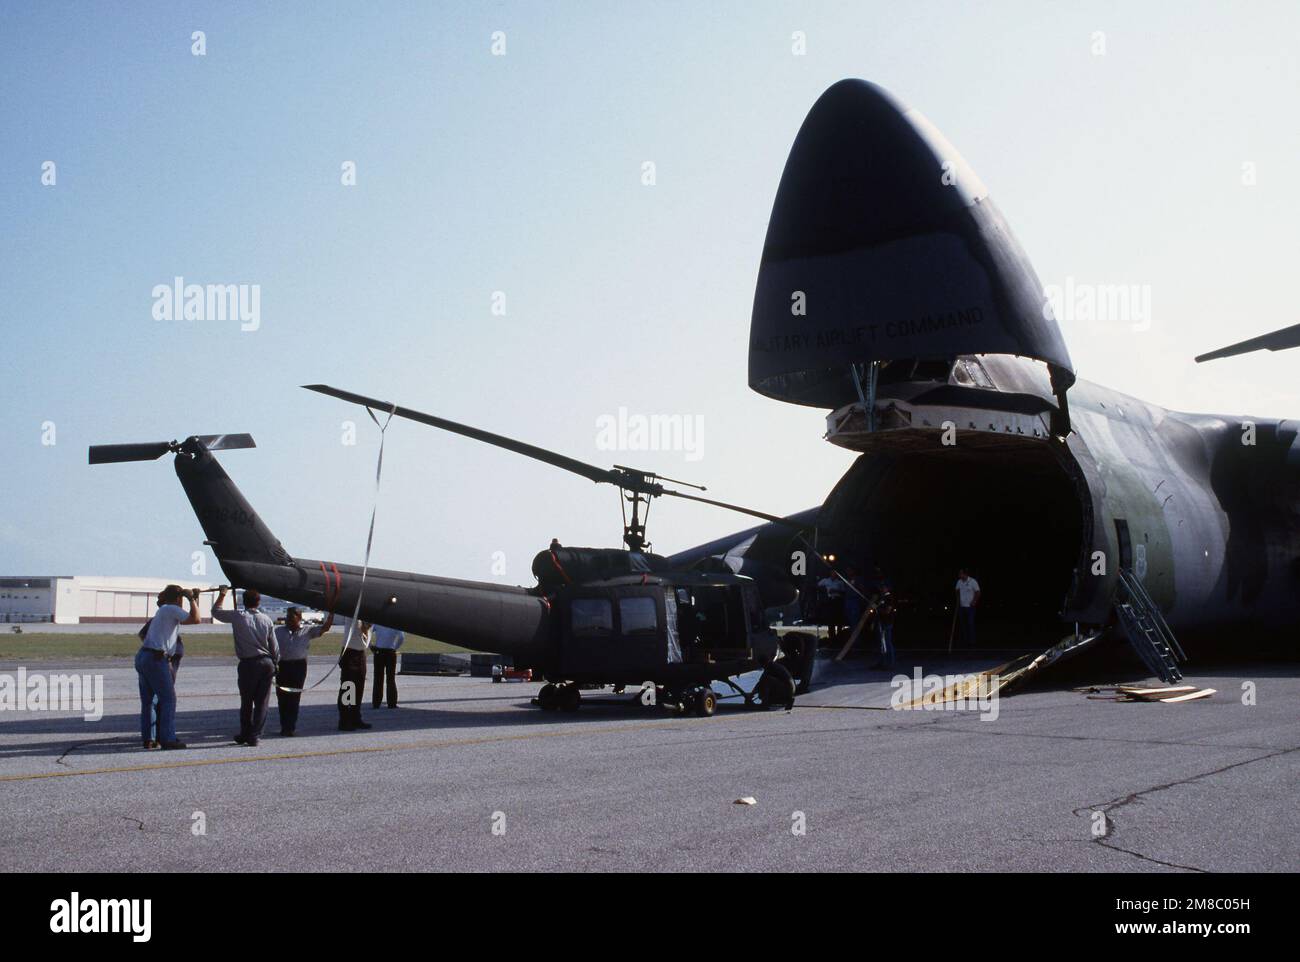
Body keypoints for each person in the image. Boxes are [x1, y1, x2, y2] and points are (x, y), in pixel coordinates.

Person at [213, 586, 279, 746]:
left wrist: (222, 595)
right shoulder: (267, 619)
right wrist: (276, 664)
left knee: (247, 701)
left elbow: (216, 612)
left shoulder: (238, 616)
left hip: (249, 663)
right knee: (262, 702)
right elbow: (274, 646)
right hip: (266, 662)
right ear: (259, 602)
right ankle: (255, 735)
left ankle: (245, 732)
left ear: (243, 601)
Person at [135, 585, 198, 750]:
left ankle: (149, 739)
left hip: (144, 656)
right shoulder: (171, 609)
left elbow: (186, 616)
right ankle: (168, 739)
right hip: (156, 658)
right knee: (168, 699)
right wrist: (191, 598)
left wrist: (192, 599)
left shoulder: (164, 610)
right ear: (179, 599)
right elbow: (195, 619)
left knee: (149, 701)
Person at [273, 605, 334, 736]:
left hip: (298, 667)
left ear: (299, 618)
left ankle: (290, 727)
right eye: (287, 618)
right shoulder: (278, 631)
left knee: (294, 697)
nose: (288, 620)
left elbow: (325, 628)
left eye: (292, 618)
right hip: (282, 666)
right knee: (282, 697)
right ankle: (284, 725)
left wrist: (331, 615)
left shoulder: (307, 631)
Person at [338, 619, 373, 731]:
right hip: (350, 653)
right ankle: (344, 721)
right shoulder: (353, 615)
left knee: (358, 688)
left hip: (361, 653)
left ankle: (355, 718)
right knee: (348, 688)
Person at [371, 623, 405, 709]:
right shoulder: (394, 621)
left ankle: (376, 702)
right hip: (390, 651)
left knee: (378, 678)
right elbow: (401, 637)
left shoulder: (377, 621)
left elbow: (367, 632)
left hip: (379, 651)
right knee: (391, 679)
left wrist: (370, 646)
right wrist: (395, 647)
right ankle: (392, 703)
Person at [955, 568, 981, 648]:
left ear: (965, 574)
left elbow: (978, 592)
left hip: (970, 607)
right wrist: (958, 599)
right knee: (963, 624)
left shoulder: (972, 581)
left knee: (970, 623)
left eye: (960, 573)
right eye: (959, 574)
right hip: (962, 606)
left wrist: (974, 601)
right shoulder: (959, 582)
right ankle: (965, 640)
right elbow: (956, 590)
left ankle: (972, 641)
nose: (959, 575)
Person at [876, 588, 896, 670]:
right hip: (882, 623)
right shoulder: (882, 598)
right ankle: (882, 662)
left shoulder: (889, 598)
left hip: (887, 623)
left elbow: (887, 611)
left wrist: (877, 609)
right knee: (881, 644)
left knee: (887, 643)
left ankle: (890, 663)